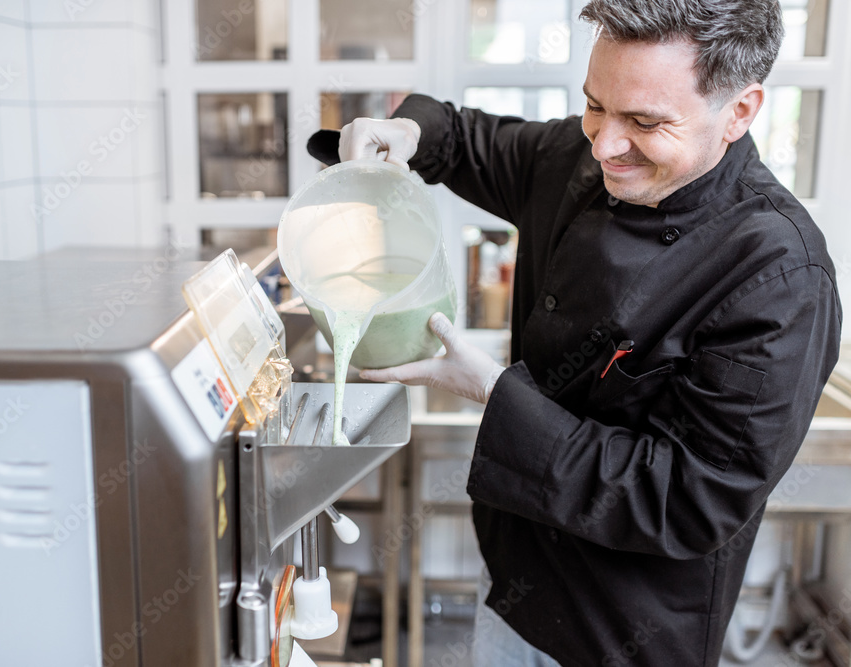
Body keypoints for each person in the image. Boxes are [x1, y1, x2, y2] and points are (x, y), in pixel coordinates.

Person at [307, 0, 842, 665]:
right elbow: (460, 136)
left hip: (623, 632)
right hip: (513, 587)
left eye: (645, 122)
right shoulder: (578, 158)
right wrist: (404, 132)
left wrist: (496, 392)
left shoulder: (779, 276)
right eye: (594, 105)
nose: (604, 144)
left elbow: (688, 502)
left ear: (740, 111)